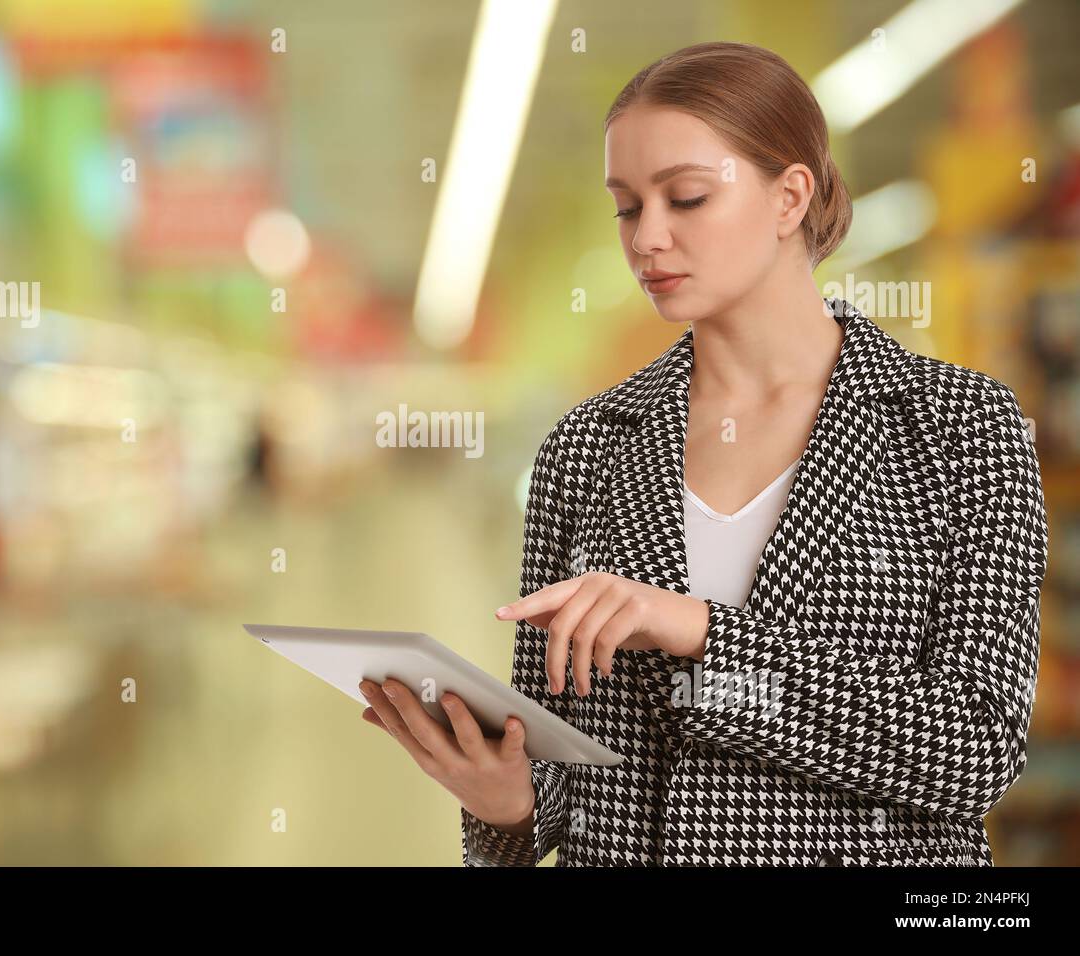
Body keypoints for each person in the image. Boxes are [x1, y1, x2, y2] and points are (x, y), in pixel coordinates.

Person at [360, 41, 1049, 867]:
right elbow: (561, 767)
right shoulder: (587, 447)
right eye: (626, 208)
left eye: (686, 198)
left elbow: (977, 747)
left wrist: (699, 633)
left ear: (790, 196)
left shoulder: (960, 428)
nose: (647, 237)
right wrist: (506, 805)